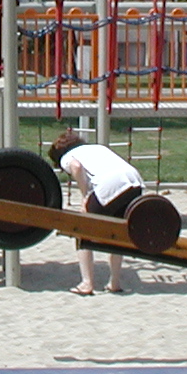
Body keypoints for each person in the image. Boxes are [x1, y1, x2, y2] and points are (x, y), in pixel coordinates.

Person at [48, 127, 145, 296]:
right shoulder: (97, 147)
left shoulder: (67, 157)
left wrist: (85, 195)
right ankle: (114, 282)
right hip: (134, 180)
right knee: (118, 232)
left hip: (111, 184)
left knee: (82, 229)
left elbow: (76, 167)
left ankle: (87, 283)